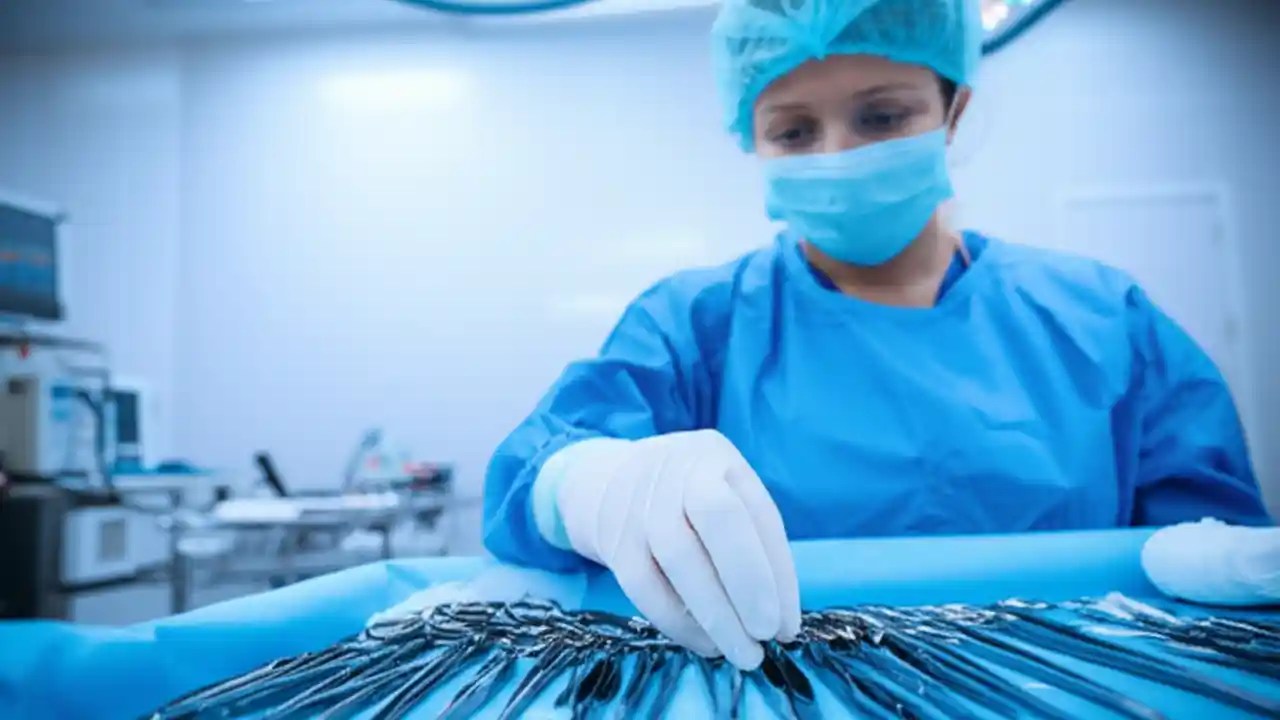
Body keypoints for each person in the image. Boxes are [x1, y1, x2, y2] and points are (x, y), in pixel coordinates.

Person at [482, 0, 1272, 671]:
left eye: (882, 116)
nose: (837, 156)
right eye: (793, 131)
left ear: (953, 110)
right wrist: (587, 485)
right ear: (749, 138)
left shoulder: (1103, 319)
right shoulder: (697, 326)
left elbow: (1216, 570)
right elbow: (536, 471)